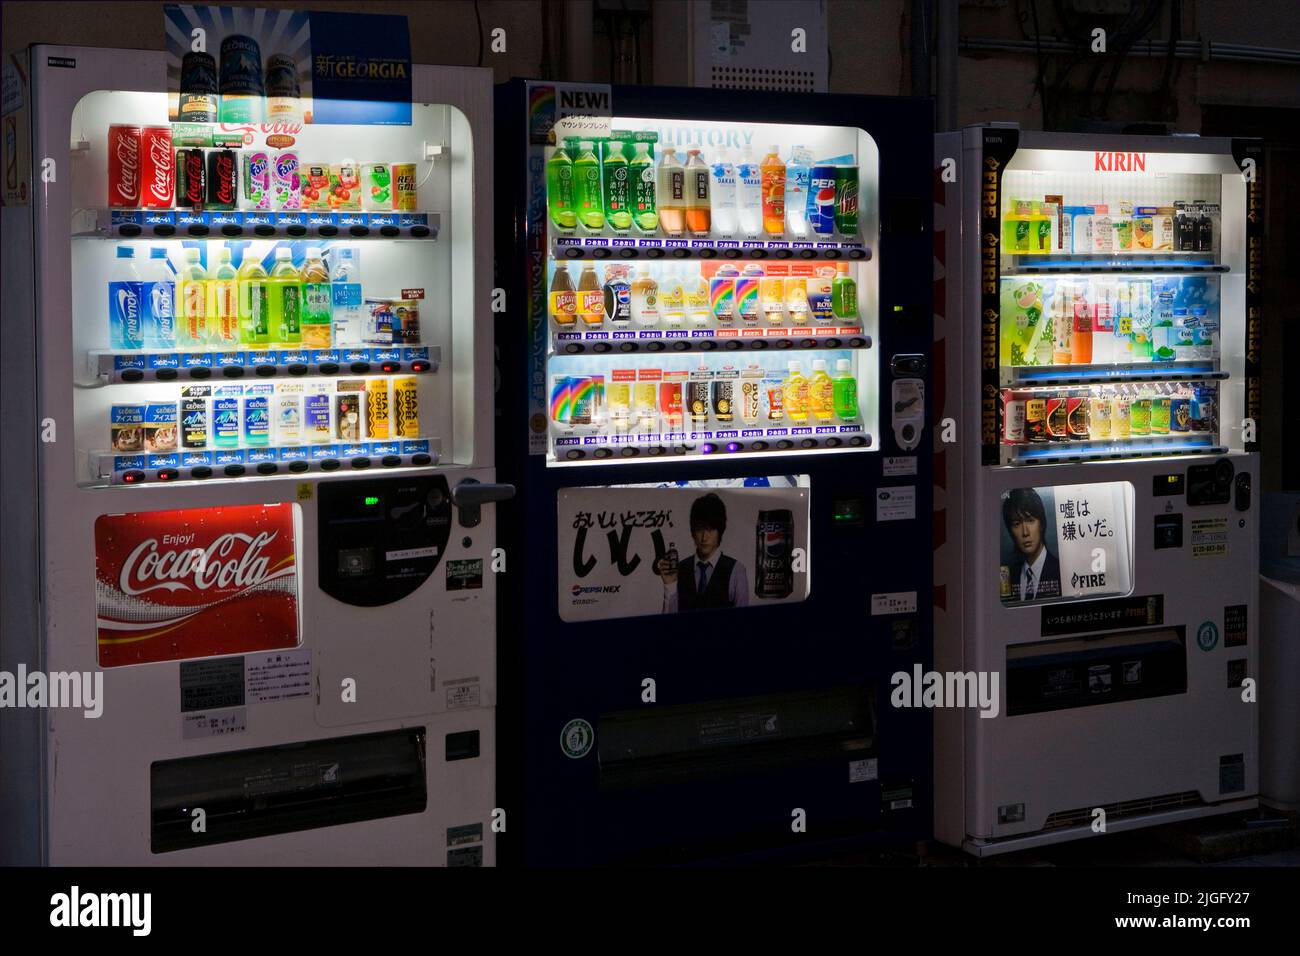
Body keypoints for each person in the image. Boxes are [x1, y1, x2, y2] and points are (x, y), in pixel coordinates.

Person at [658, 493, 750, 612]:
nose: (704, 537)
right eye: (699, 529)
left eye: (710, 529)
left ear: (720, 531)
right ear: (693, 531)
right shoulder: (680, 569)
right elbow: (668, 626)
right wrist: (669, 585)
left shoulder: (737, 570)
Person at [1002, 488, 1060, 602]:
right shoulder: (1009, 576)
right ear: (1010, 531)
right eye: (1017, 523)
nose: (1025, 532)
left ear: (1042, 524)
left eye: (1030, 520)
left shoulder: (1060, 571)